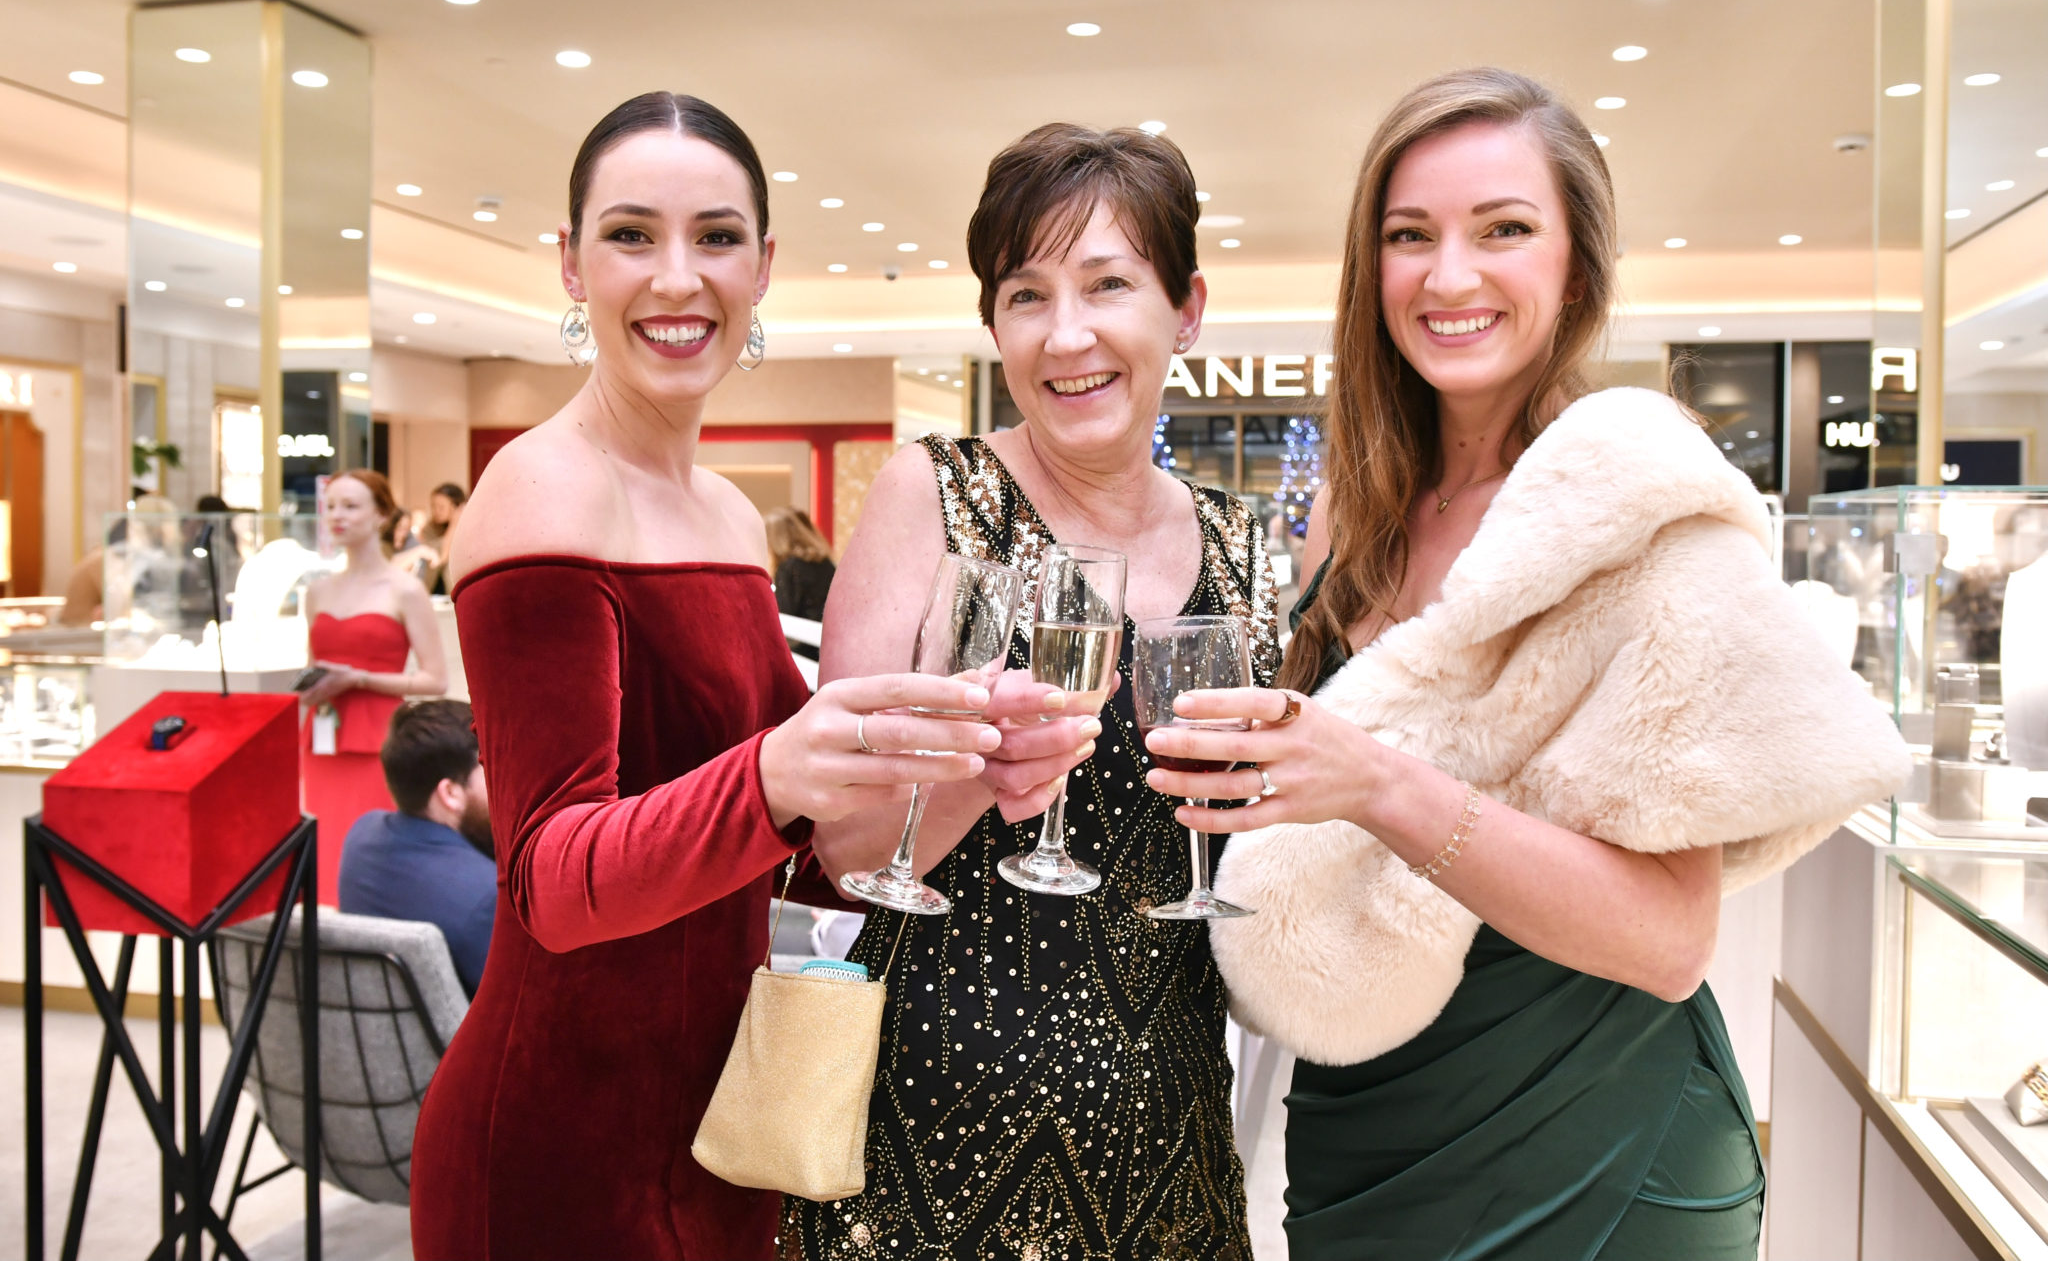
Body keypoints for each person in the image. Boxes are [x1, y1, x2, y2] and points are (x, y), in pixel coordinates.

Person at [1143, 68, 1912, 1260]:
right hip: (1362, 1125)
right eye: (1409, 236)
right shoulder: (1361, 510)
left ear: (1577, 268)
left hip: (1593, 1129)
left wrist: (1378, 785)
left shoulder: (1639, 512)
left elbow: (1668, 943)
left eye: (1501, 229)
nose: (1448, 276)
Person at [409, 91, 1006, 1261]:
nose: (677, 278)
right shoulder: (541, 490)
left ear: (763, 266)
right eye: (631, 235)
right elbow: (552, 881)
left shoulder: (728, 515)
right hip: (558, 1144)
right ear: (571, 265)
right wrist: (777, 771)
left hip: (723, 1127)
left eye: (716, 237)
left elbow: (810, 862)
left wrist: (978, 766)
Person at [786, 123, 1278, 1259]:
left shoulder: (1236, 540)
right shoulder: (935, 494)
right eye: (1025, 296)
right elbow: (843, 846)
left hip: (1167, 1133)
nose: (1066, 335)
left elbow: (1240, 840)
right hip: (930, 1125)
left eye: (1108, 285)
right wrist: (984, 769)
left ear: (1185, 309)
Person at [298, 469, 449, 897]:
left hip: (379, 736)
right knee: (324, 843)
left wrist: (360, 678)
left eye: (350, 506)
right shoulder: (318, 591)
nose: (337, 516)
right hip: (324, 732)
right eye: (331, 506)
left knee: (369, 846)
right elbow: (312, 665)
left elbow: (436, 679)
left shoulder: (405, 591)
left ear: (381, 514)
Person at [337, 699, 496, 996]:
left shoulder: (360, 838)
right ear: (450, 793)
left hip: (373, 1021)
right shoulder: (486, 894)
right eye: (492, 773)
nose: (505, 788)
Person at [764, 506, 833, 660]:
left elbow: (781, 617)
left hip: (805, 652)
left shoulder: (789, 567)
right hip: (826, 649)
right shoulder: (826, 564)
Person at [415, 482, 467, 594]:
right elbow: (440, 556)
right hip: (431, 588)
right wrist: (453, 527)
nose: (436, 511)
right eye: (433, 506)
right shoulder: (429, 528)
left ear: (456, 507)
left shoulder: (467, 526)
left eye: (441, 507)